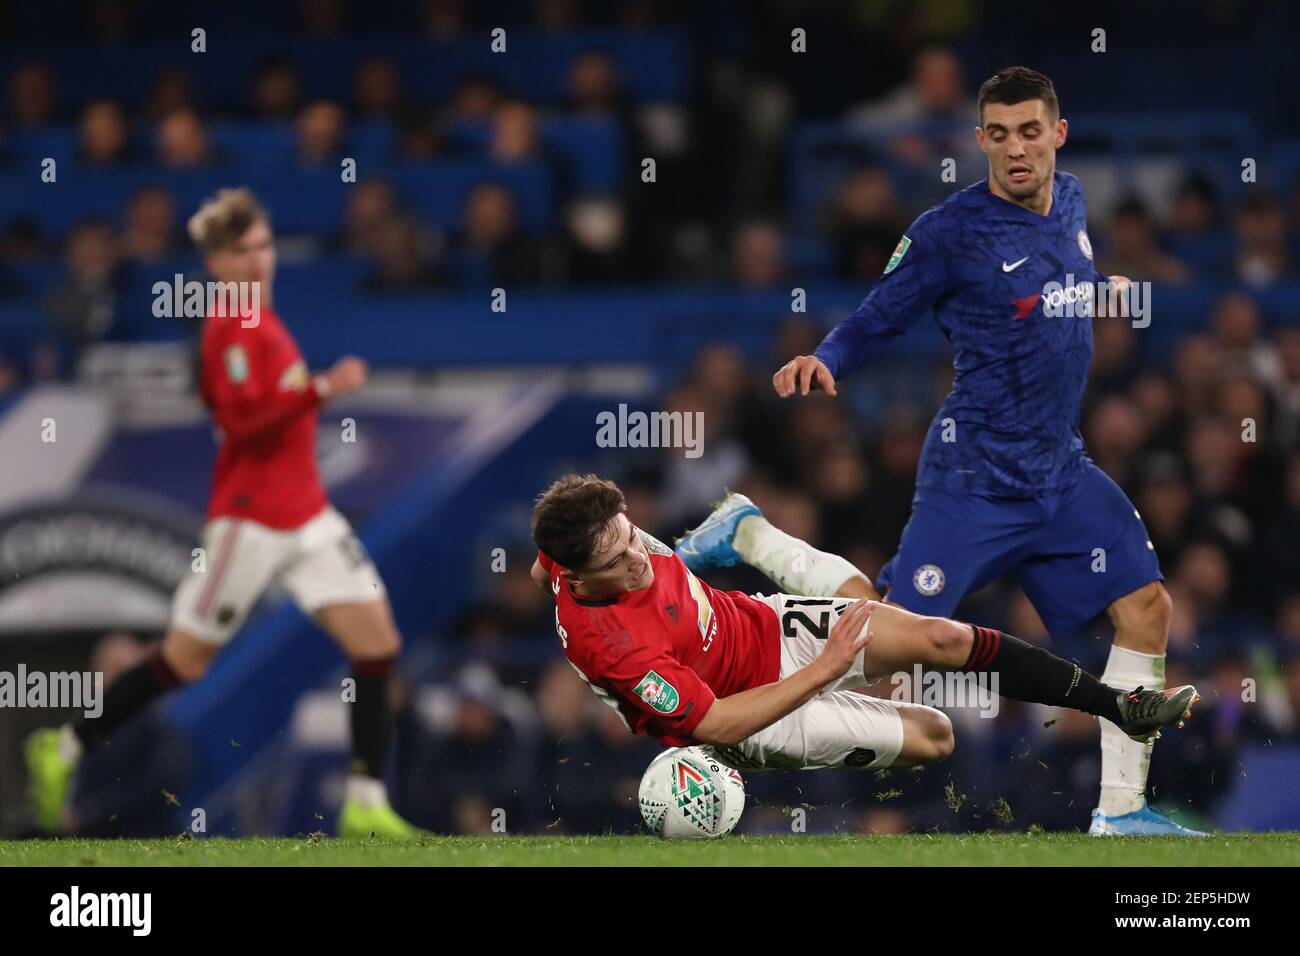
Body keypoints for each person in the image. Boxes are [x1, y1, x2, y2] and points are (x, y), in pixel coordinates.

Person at [770, 67, 1196, 835]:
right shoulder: (949, 232)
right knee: (887, 644)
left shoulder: (1070, 201)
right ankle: (766, 612)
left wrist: (1100, 285)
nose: (1016, 149)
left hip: (1060, 473)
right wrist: (828, 357)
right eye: (998, 135)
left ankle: (1122, 816)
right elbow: (880, 311)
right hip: (973, 477)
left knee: (1147, 606)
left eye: (1030, 131)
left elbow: (1060, 277)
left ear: (1058, 135)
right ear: (980, 141)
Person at [26, 188, 419, 838]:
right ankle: (63, 746)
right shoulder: (229, 325)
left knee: (377, 644)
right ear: (215, 262)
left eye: (263, 244)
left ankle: (366, 800)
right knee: (182, 663)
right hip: (251, 519)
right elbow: (240, 422)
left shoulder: (262, 320)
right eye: (241, 251)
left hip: (308, 516)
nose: (258, 259)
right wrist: (321, 388)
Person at [531, 475, 1196, 780]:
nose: (640, 561)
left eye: (631, 539)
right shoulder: (617, 650)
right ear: (581, 579)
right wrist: (825, 672)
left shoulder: (567, 551)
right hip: (755, 719)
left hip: (765, 624)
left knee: (939, 638)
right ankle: (749, 537)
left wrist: (829, 653)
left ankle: (1120, 705)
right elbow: (716, 725)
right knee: (935, 736)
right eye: (618, 562)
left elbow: (549, 564)